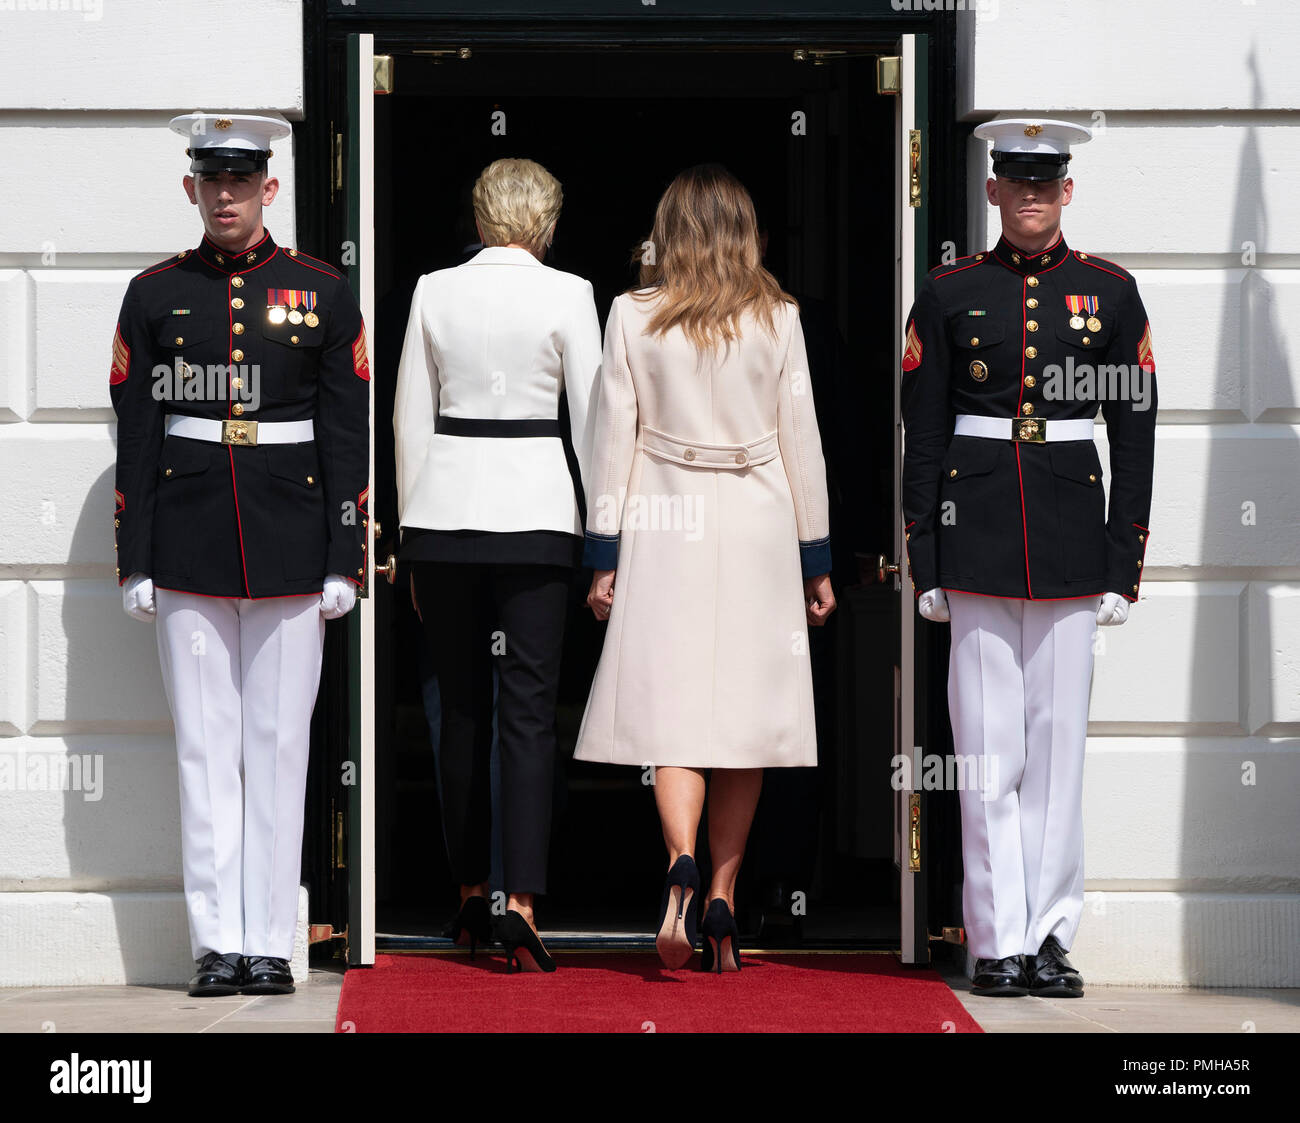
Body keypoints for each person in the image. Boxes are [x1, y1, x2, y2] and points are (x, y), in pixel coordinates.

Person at [111, 112, 370, 996]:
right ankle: (216, 939)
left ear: (269, 187)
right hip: (186, 542)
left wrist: (345, 555)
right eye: (210, 180)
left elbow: (346, 432)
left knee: (277, 744)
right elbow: (138, 432)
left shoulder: (323, 291)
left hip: (294, 542)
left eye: (241, 180)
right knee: (204, 748)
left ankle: (270, 938)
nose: (225, 195)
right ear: (191, 189)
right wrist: (133, 556)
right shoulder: (154, 295)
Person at [900, 119, 1157, 997]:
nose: (1034, 194)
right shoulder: (946, 292)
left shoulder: (1110, 293)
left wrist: (1124, 560)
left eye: (1048, 180)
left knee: (1057, 753)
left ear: (1069, 192)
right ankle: (996, 936)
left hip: (1072, 539)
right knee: (985, 752)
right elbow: (924, 432)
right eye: (1018, 178)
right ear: (993, 190)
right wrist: (923, 554)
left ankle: (1050, 934)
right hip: (972, 540)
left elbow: (1135, 435)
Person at [574, 164, 836, 972]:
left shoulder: (630, 314)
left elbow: (610, 440)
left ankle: (678, 859)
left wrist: (603, 554)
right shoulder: (779, 318)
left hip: (665, 520)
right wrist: (816, 558)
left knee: (674, 715)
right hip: (758, 526)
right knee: (746, 723)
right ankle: (723, 892)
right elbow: (803, 441)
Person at [393, 157, 601, 973]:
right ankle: (521, 900)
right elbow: (592, 423)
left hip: (444, 520)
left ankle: (468, 893)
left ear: (479, 222)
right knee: (528, 712)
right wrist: (607, 532)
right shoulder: (570, 292)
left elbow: (411, 417)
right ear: (546, 226)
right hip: (539, 519)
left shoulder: (433, 289)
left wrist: (409, 536)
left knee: (456, 708)